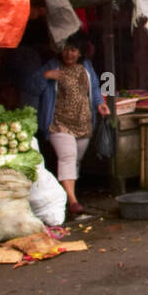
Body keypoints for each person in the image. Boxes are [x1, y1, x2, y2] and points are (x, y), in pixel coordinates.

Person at [33, 34, 109, 217]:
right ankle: (73, 201)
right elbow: (31, 85)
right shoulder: (52, 66)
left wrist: (100, 103)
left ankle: (64, 194)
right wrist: (46, 76)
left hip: (84, 123)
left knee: (75, 160)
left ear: (80, 52)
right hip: (59, 123)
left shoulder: (87, 66)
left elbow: (96, 89)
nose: (69, 54)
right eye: (66, 49)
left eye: (73, 50)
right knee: (68, 156)